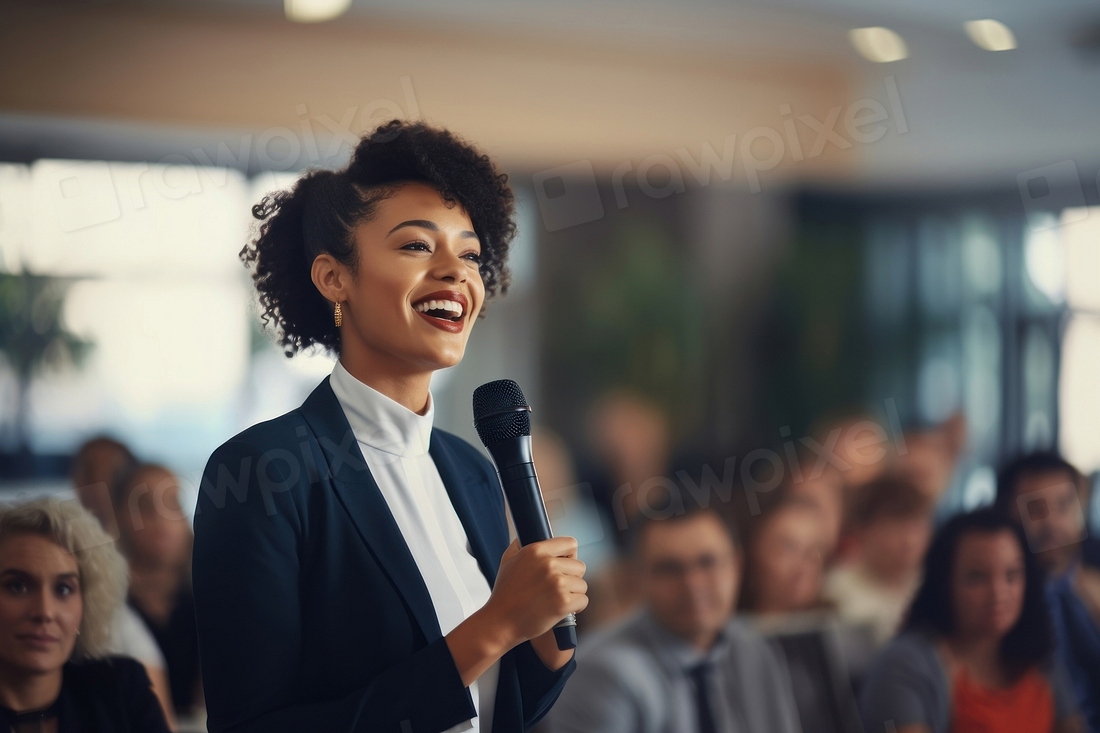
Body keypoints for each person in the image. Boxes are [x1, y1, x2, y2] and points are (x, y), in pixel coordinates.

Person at [192, 119, 586, 733]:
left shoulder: (475, 471)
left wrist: (540, 638)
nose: (456, 271)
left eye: (472, 253)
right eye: (416, 245)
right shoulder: (261, 475)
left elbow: (492, 709)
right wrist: (496, 626)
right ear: (334, 278)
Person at [546, 505, 802, 733]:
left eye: (708, 562)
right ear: (637, 578)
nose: (693, 585)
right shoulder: (603, 671)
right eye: (670, 569)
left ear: (737, 564)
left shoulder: (753, 649)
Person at [859, 508, 1084, 733]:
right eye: (977, 577)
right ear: (945, 582)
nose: (998, 594)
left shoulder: (1040, 658)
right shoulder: (904, 666)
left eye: (1012, 575)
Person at [0, 497, 170, 732]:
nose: (45, 612)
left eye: (63, 589)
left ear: (87, 603)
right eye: (17, 586)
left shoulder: (121, 690)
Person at [996, 452, 1100, 733]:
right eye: (1036, 509)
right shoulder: (994, 600)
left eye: (1064, 506)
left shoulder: (1092, 575)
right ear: (1007, 513)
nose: (1052, 523)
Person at [112, 462, 201, 722]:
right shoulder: (102, 604)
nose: (161, 517)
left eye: (172, 503)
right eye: (145, 505)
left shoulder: (217, 594)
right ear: (118, 515)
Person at [824, 473, 933, 644]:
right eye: (895, 527)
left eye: (917, 526)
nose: (909, 540)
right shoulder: (835, 593)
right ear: (862, 531)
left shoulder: (935, 585)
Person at [736, 489, 827, 616]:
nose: (804, 565)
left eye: (814, 550)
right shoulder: (726, 629)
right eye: (789, 548)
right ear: (755, 550)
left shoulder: (844, 627)